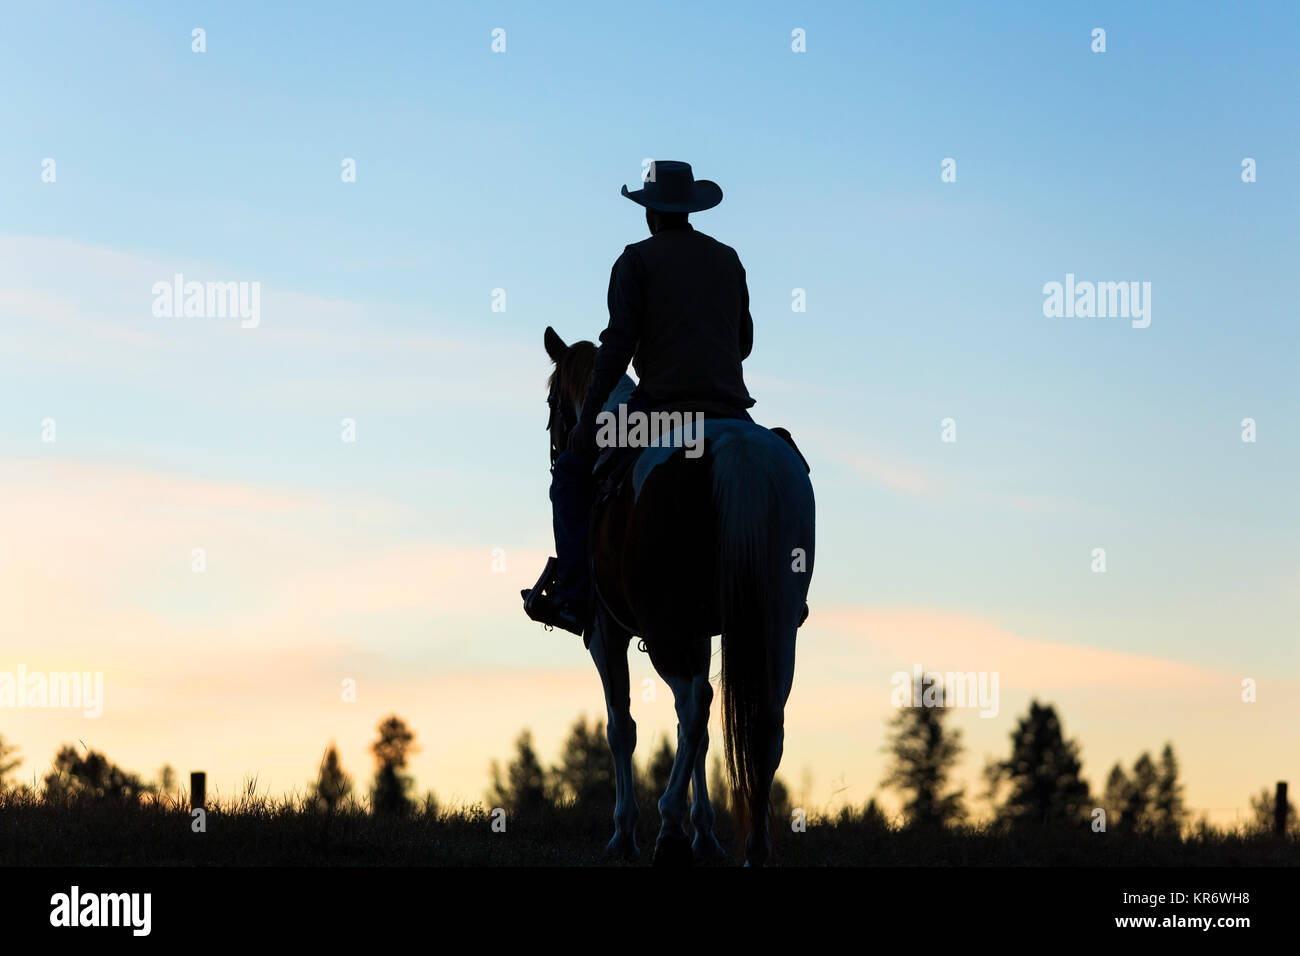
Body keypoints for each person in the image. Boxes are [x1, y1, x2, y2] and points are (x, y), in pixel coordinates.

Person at [524, 160, 755, 636]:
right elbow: (744, 343)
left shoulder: (635, 260)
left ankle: (573, 597)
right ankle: (782, 596)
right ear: (690, 208)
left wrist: (589, 422)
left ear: (650, 212)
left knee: (569, 475)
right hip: (732, 410)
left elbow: (615, 353)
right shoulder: (728, 258)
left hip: (660, 415)